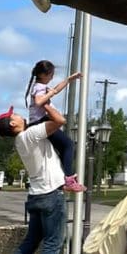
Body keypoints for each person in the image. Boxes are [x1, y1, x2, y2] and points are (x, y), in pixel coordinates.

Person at [0, 98, 70, 254]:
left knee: (31, 241)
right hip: (51, 194)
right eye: (14, 115)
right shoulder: (31, 135)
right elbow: (60, 120)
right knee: (53, 243)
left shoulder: (21, 141)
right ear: (12, 123)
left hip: (36, 195)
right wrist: (43, 103)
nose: (18, 115)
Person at [25, 60, 85, 193]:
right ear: (43, 75)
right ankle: (69, 178)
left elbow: (56, 89)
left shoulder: (41, 86)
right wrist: (50, 94)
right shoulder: (38, 87)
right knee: (68, 144)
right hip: (40, 121)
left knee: (62, 148)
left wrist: (69, 80)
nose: (52, 77)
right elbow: (39, 101)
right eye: (51, 75)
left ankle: (64, 177)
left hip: (38, 121)